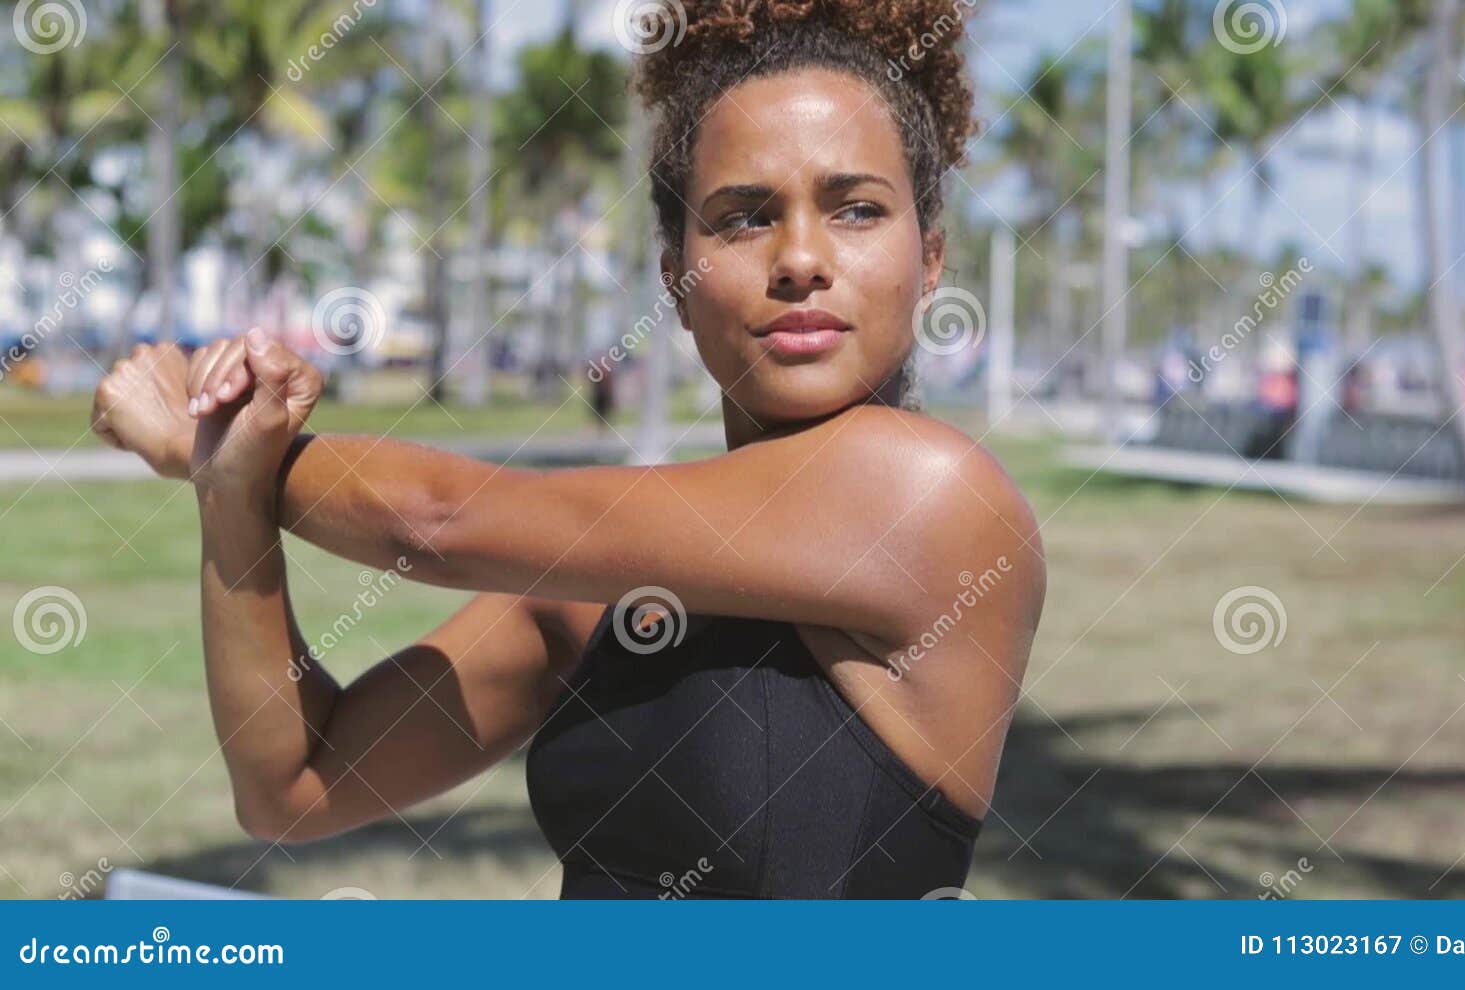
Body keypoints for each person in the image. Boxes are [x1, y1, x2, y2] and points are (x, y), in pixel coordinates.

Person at [89, 0, 1045, 899]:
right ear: (676, 278)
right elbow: (293, 785)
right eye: (744, 216)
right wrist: (229, 494)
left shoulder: (930, 496)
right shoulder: (598, 594)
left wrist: (206, 443)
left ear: (931, 260)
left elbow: (438, 519)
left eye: (856, 208)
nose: (800, 256)